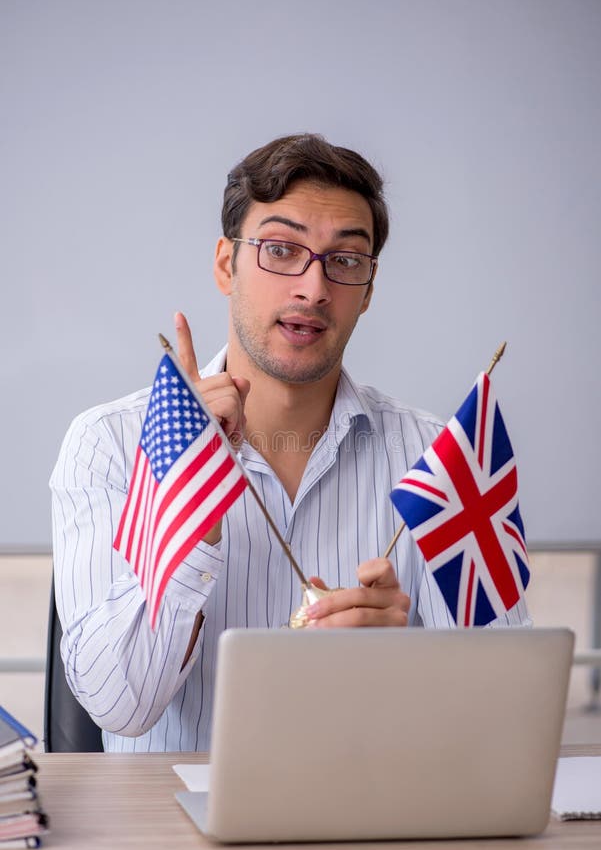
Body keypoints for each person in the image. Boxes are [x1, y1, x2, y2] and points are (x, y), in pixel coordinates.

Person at [50, 134, 531, 752]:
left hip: (373, 806)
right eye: (281, 251)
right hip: (170, 812)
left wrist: (410, 670)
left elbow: (510, 716)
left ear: (369, 289)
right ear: (226, 265)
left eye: (346, 260)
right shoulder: (110, 444)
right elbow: (120, 707)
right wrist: (190, 497)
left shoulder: (439, 458)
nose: (314, 288)